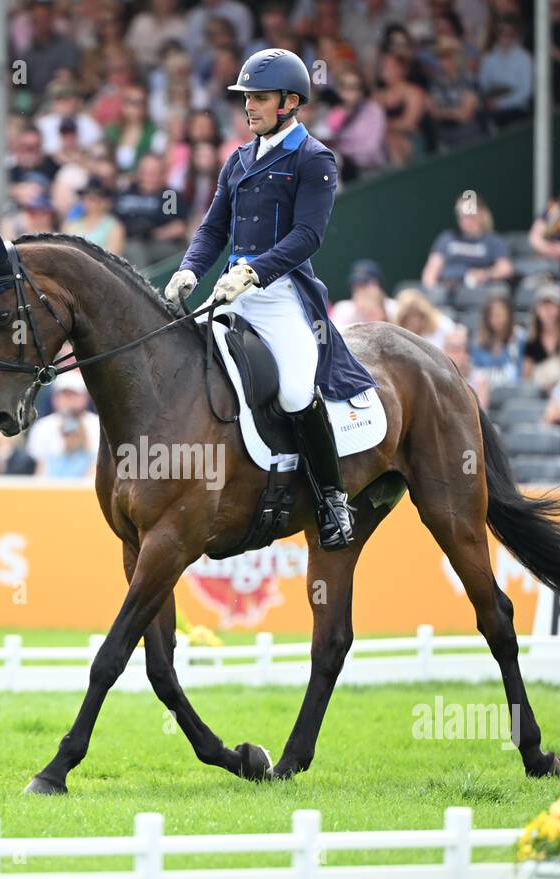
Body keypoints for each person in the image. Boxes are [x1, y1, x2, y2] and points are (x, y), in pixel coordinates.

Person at [163, 48, 375, 550]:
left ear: (288, 102)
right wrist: (189, 270)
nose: (248, 107)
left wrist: (255, 272)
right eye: (246, 98)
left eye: (258, 98)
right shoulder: (237, 160)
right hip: (231, 289)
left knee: (298, 392)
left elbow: (307, 236)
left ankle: (332, 501)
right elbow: (213, 229)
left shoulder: (314, 158)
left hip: (280, 293)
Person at [421, 192, 512, 289]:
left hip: (476, 292)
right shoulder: (447, 238)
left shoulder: (493, 240)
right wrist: (433, 291)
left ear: (482, 214)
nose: (466, 221)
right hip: (446, 289)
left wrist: (485, 274)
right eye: (461, 216)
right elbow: (431, 270)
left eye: (470, 215)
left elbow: (506, 268)